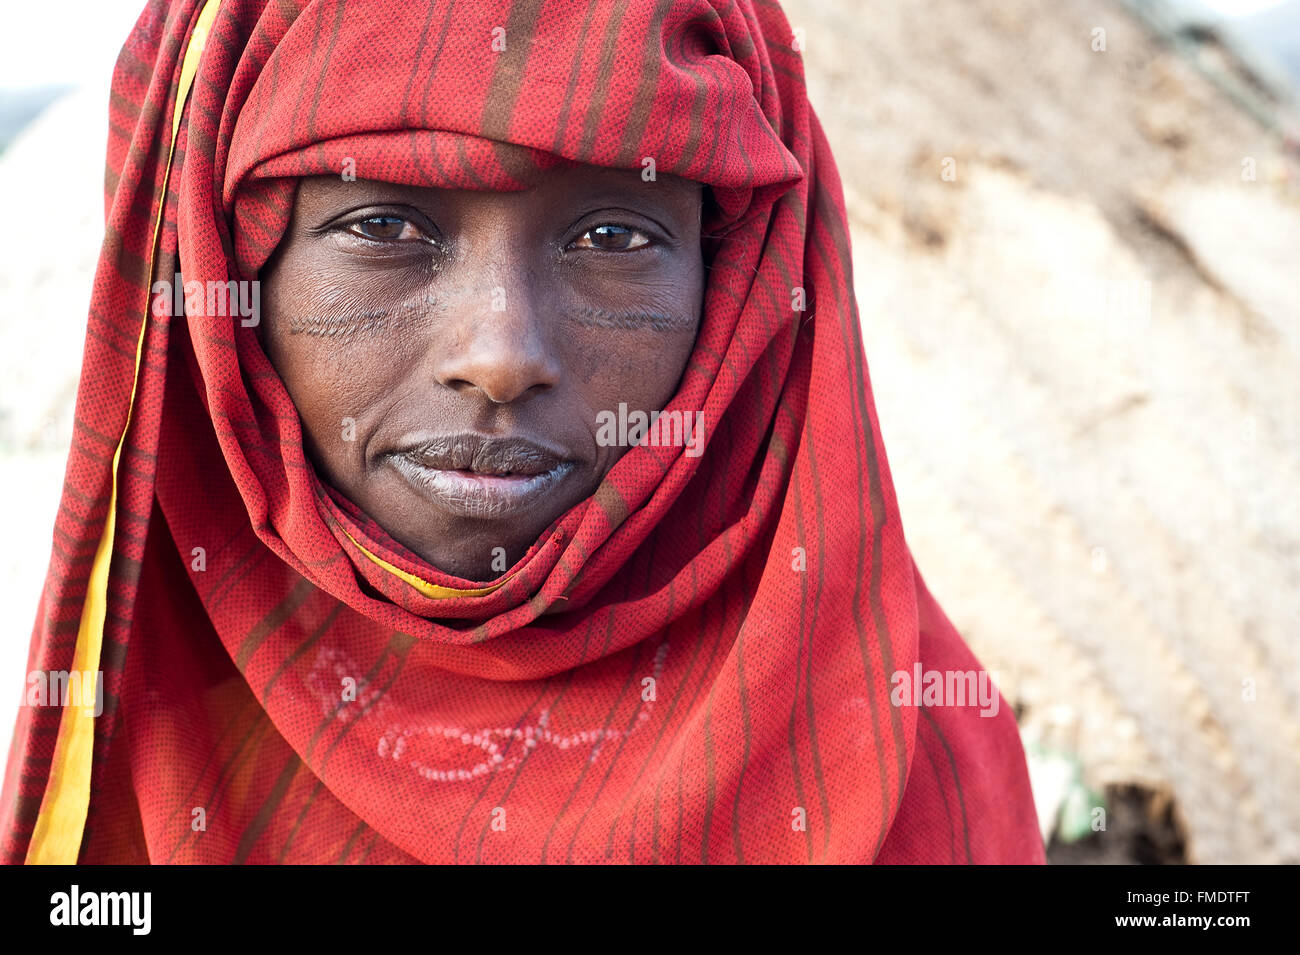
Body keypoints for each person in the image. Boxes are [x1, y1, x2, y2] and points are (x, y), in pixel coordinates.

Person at [2, 0, 1044, 864]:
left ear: (742, 293)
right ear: (219, 278)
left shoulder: (908, 760)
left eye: (612, 234)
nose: (500, 355)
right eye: (383, 226)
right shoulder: (80, 707)